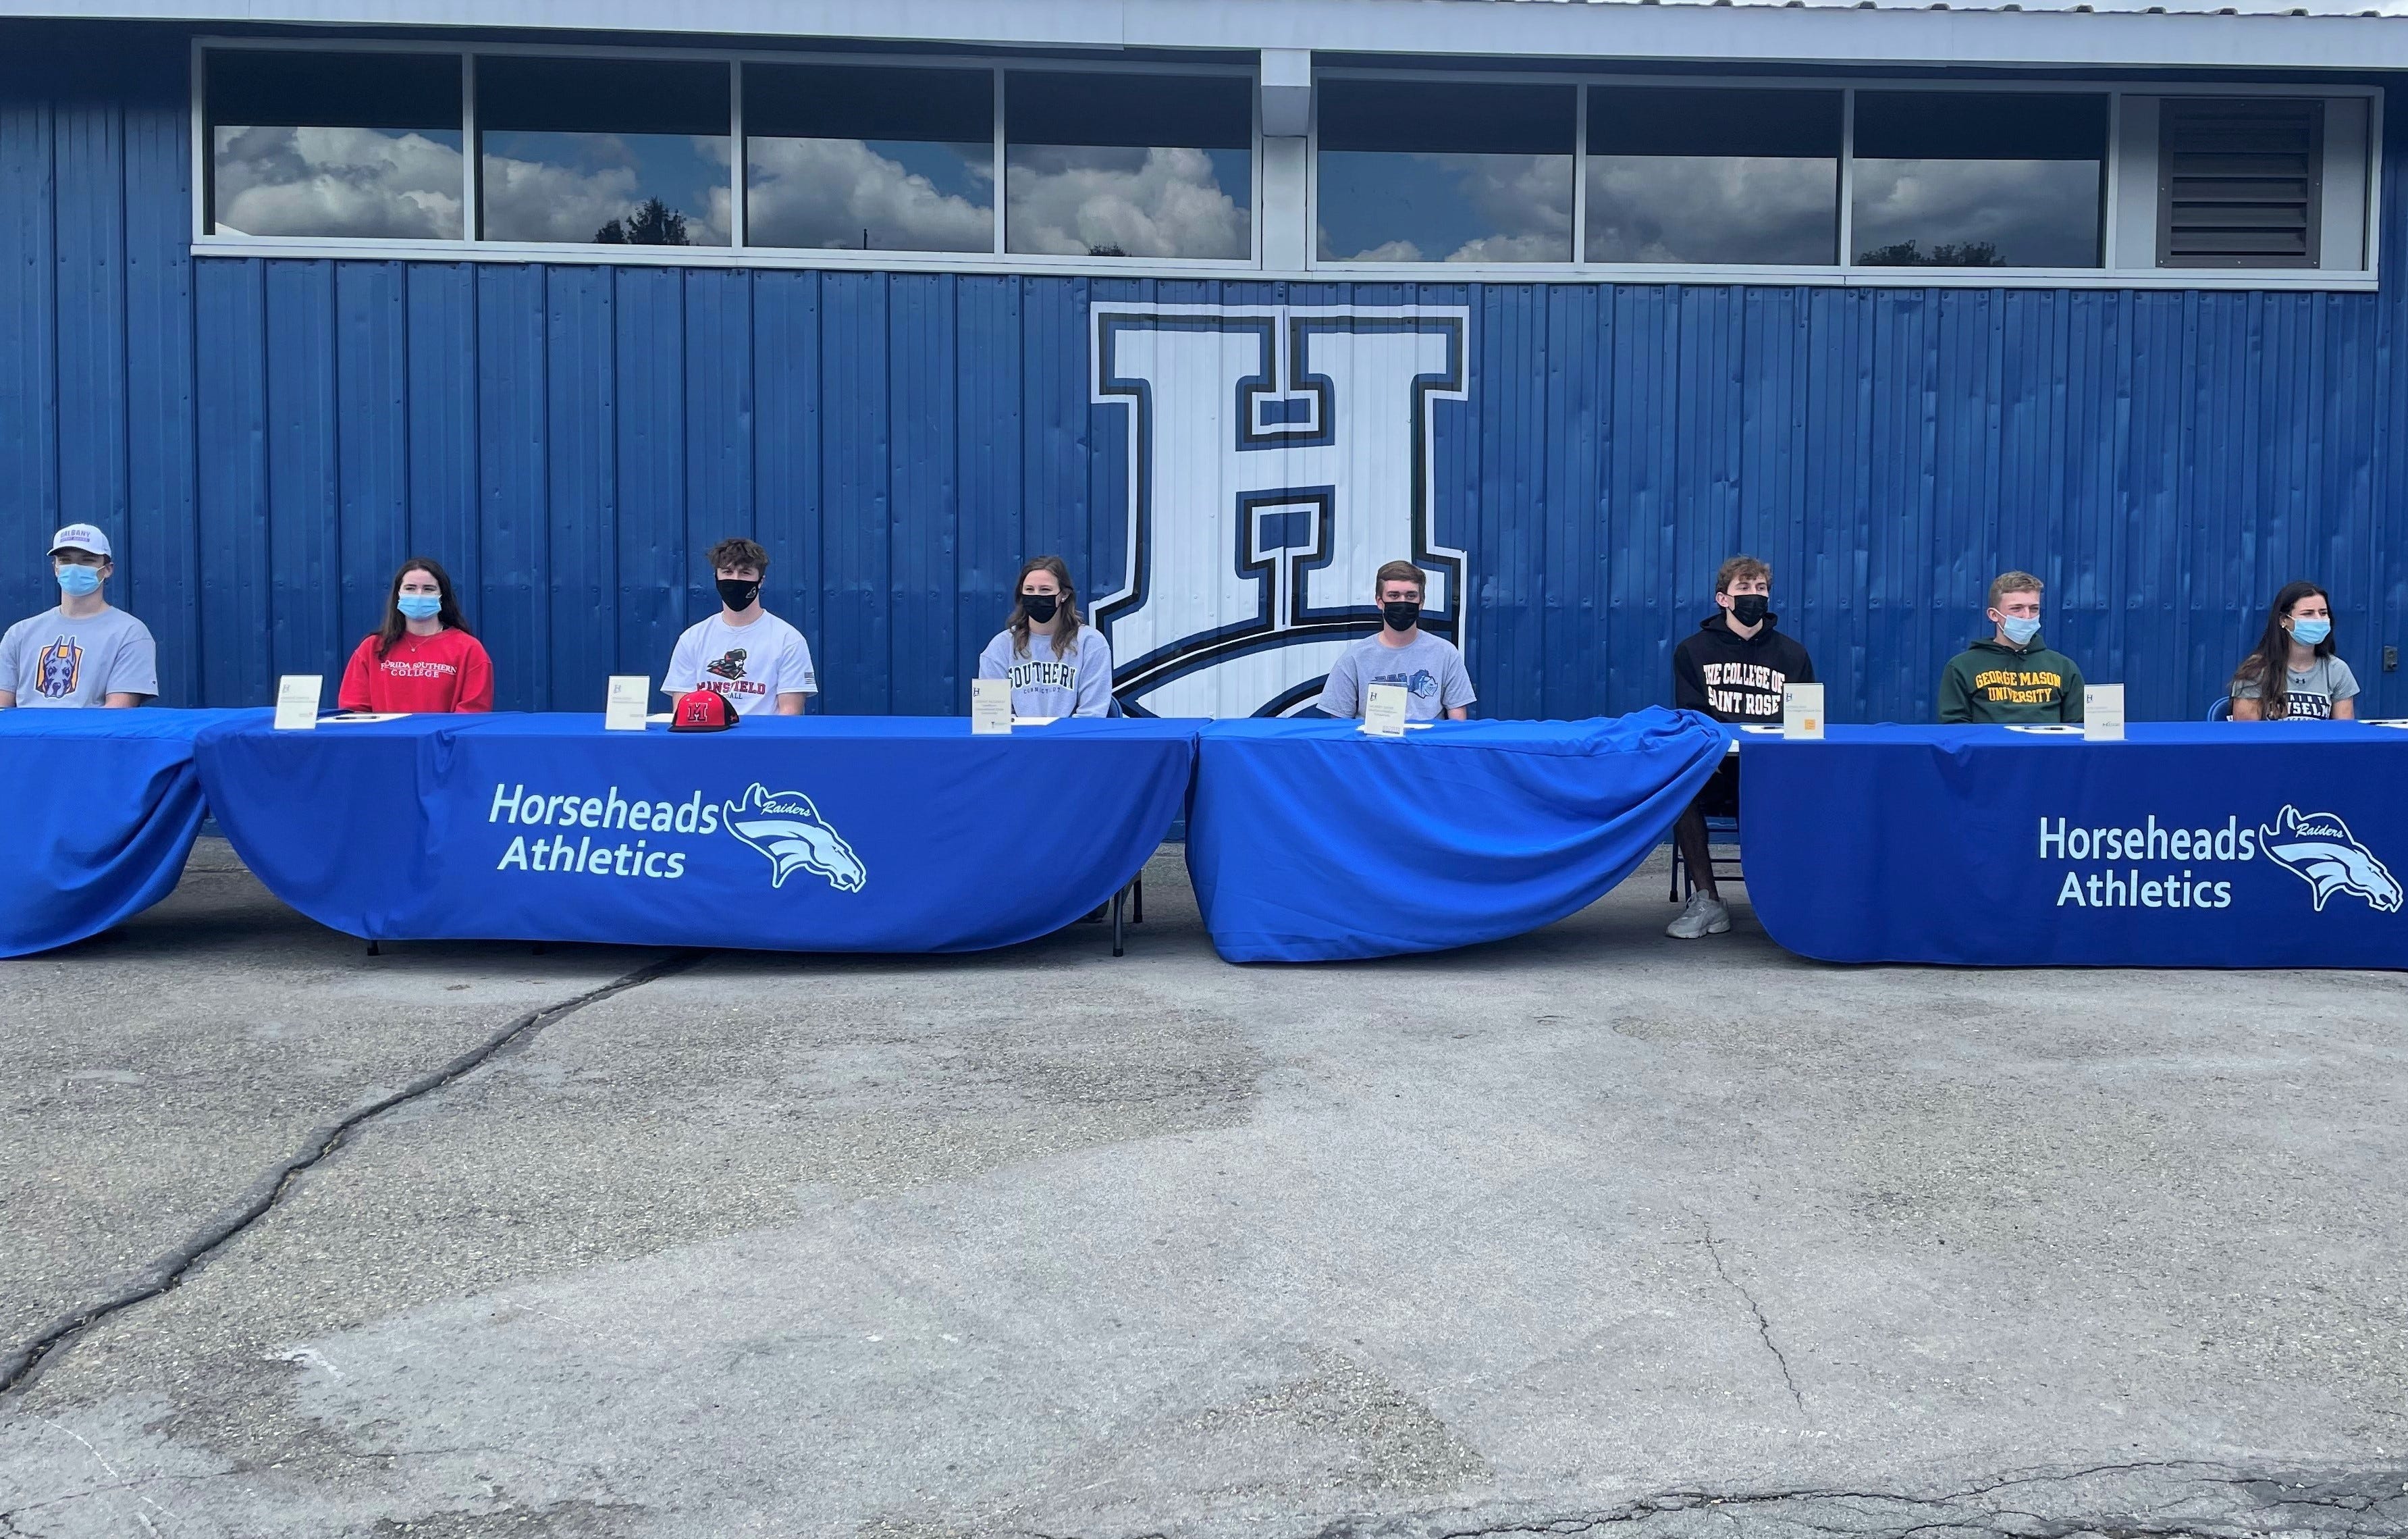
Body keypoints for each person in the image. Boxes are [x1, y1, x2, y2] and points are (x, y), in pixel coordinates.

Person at [1665, 555, 1817, 940]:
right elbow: (1693, 720)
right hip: (1716, 772)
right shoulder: (1692, 651)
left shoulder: (1793, 655)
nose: (1755, 596)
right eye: (1744, 589)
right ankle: (1707, 901)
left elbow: (1807, 722)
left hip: (1771, 772)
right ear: (1724, 599)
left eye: (1761, 589)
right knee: (1680, 792)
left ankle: (1787, 899)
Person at [0, 523, 157, 709]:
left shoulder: (131, 634)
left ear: (108, 569)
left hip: (89, 738)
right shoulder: (19, 633)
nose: (75, 567)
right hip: (28, 738)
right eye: (65, 560)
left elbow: (116, 716)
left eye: (87, 560)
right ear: (55, 568)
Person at [664, 537, 816, 716]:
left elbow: (790, 716)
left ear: (760, 581)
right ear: (716, 578)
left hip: (764, 742)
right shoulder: (692, 638)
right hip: (709, 741)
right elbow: (682, 712)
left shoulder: (789, 640)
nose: (735, 580)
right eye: (727, 572)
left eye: (745, 573)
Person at [1316, 560, 1474, 722]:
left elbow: (1457, 725)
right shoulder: (1354, 658)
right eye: (1394, 595)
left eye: (1411, 596)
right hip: (1373, 746)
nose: (1403, 601)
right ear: (1379, 601)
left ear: (1421, 602)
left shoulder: (1446, 654)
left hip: (1426, 746)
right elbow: (1339, 726)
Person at [337, 558, 493, 713]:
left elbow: (472, 714)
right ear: (398, 595)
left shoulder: (469, 649)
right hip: (384, 739)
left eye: (429, 589)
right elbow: (354, 711)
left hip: (442, 739)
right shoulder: (371, 648)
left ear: (442, 596)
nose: (419, 595)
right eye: (410, 588)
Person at [1938, 571, 2085, 725]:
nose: (2027, 616)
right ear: (1993, 615)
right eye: (2017, 609)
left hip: (2046, 748)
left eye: (2034, 609)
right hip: (1988, 748)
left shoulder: (2064, 667)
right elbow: (1954, 728)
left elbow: (2078, 728)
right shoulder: (1962, 667)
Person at [977, 556, 1115, 718]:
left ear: (1064, 595)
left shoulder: (1091, 644)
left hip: (1070, 741)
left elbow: (1093, 714)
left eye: (1045, 590)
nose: (1036, 596)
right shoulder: (1000, 646)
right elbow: (992, 718)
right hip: (1019, 742)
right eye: (1029, 590)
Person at [2228, 580, 2357, 721]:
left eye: (2323, 613)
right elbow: (2246, 736)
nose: (2318, 619)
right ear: (2284, 620)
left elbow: (2344, 734)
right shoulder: (2255, 671)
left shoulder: (2337, 670)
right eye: (2308, 614)